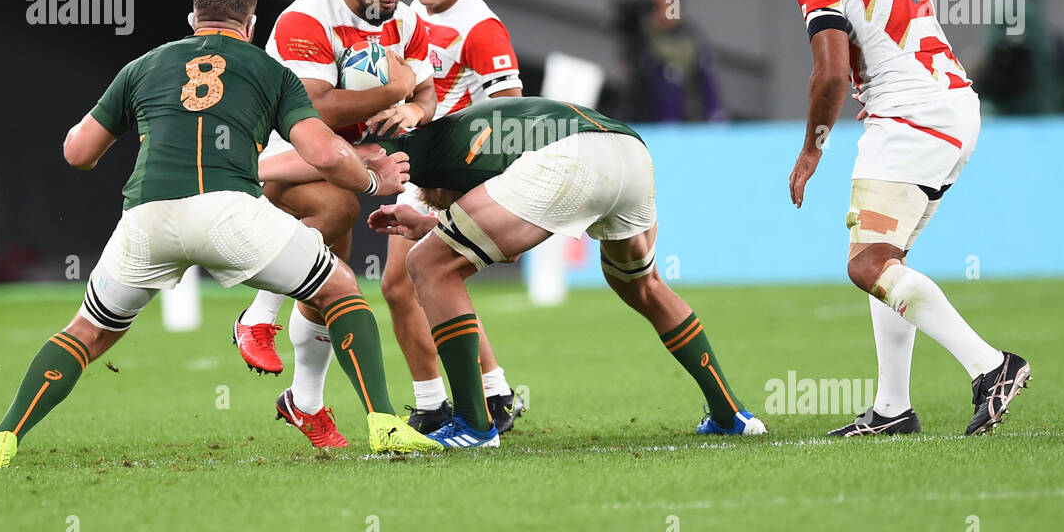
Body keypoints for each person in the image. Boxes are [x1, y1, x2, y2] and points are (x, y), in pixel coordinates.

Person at [0, 0, 437, 468]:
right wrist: (374, 180)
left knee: (87, 332)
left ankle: (1, 438)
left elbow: (77, 152)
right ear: (250, 26)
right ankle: (383, 425)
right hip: (228, 213)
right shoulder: (269, 69)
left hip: (147, 217)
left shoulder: (143, 66)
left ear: (192, 20)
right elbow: (325, 153)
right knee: (338, 288)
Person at [259, 97, 767, 449]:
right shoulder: (480, 146)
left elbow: (353, 157)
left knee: (428, 267)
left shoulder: (419, 143)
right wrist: (431, 222)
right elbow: (510, 238)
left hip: (571, 160)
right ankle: (731, 414)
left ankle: (474, 424)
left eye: (421, 194)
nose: (423, 198)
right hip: (629, 151)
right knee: (643, 285)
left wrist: (251, 168)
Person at [777, 0, 1031, 437]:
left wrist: (812, 148)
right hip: (954, 104)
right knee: (884, 256)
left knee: (866, 264)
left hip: (909, 118)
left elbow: (832, 74)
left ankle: (991, 367)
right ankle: (893, 408)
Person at [230, 0, 436, 449]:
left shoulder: (407, 22)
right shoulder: (306, 19)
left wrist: (412, 110)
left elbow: (427, 93)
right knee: (335, 217)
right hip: (284, 156)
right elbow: (317, 106)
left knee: (331, 282)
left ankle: (305, 402)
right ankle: (257, 314)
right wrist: (397, 89)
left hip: (351, 166)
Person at [383, 0, 527, 434]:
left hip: (454, 176)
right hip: (421, 168)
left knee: (416, 281)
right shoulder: (404, 17)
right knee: (408, 287)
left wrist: (482, 175)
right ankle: (477, 396)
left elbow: (510, 106)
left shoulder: (479, 26)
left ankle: (466, 399)